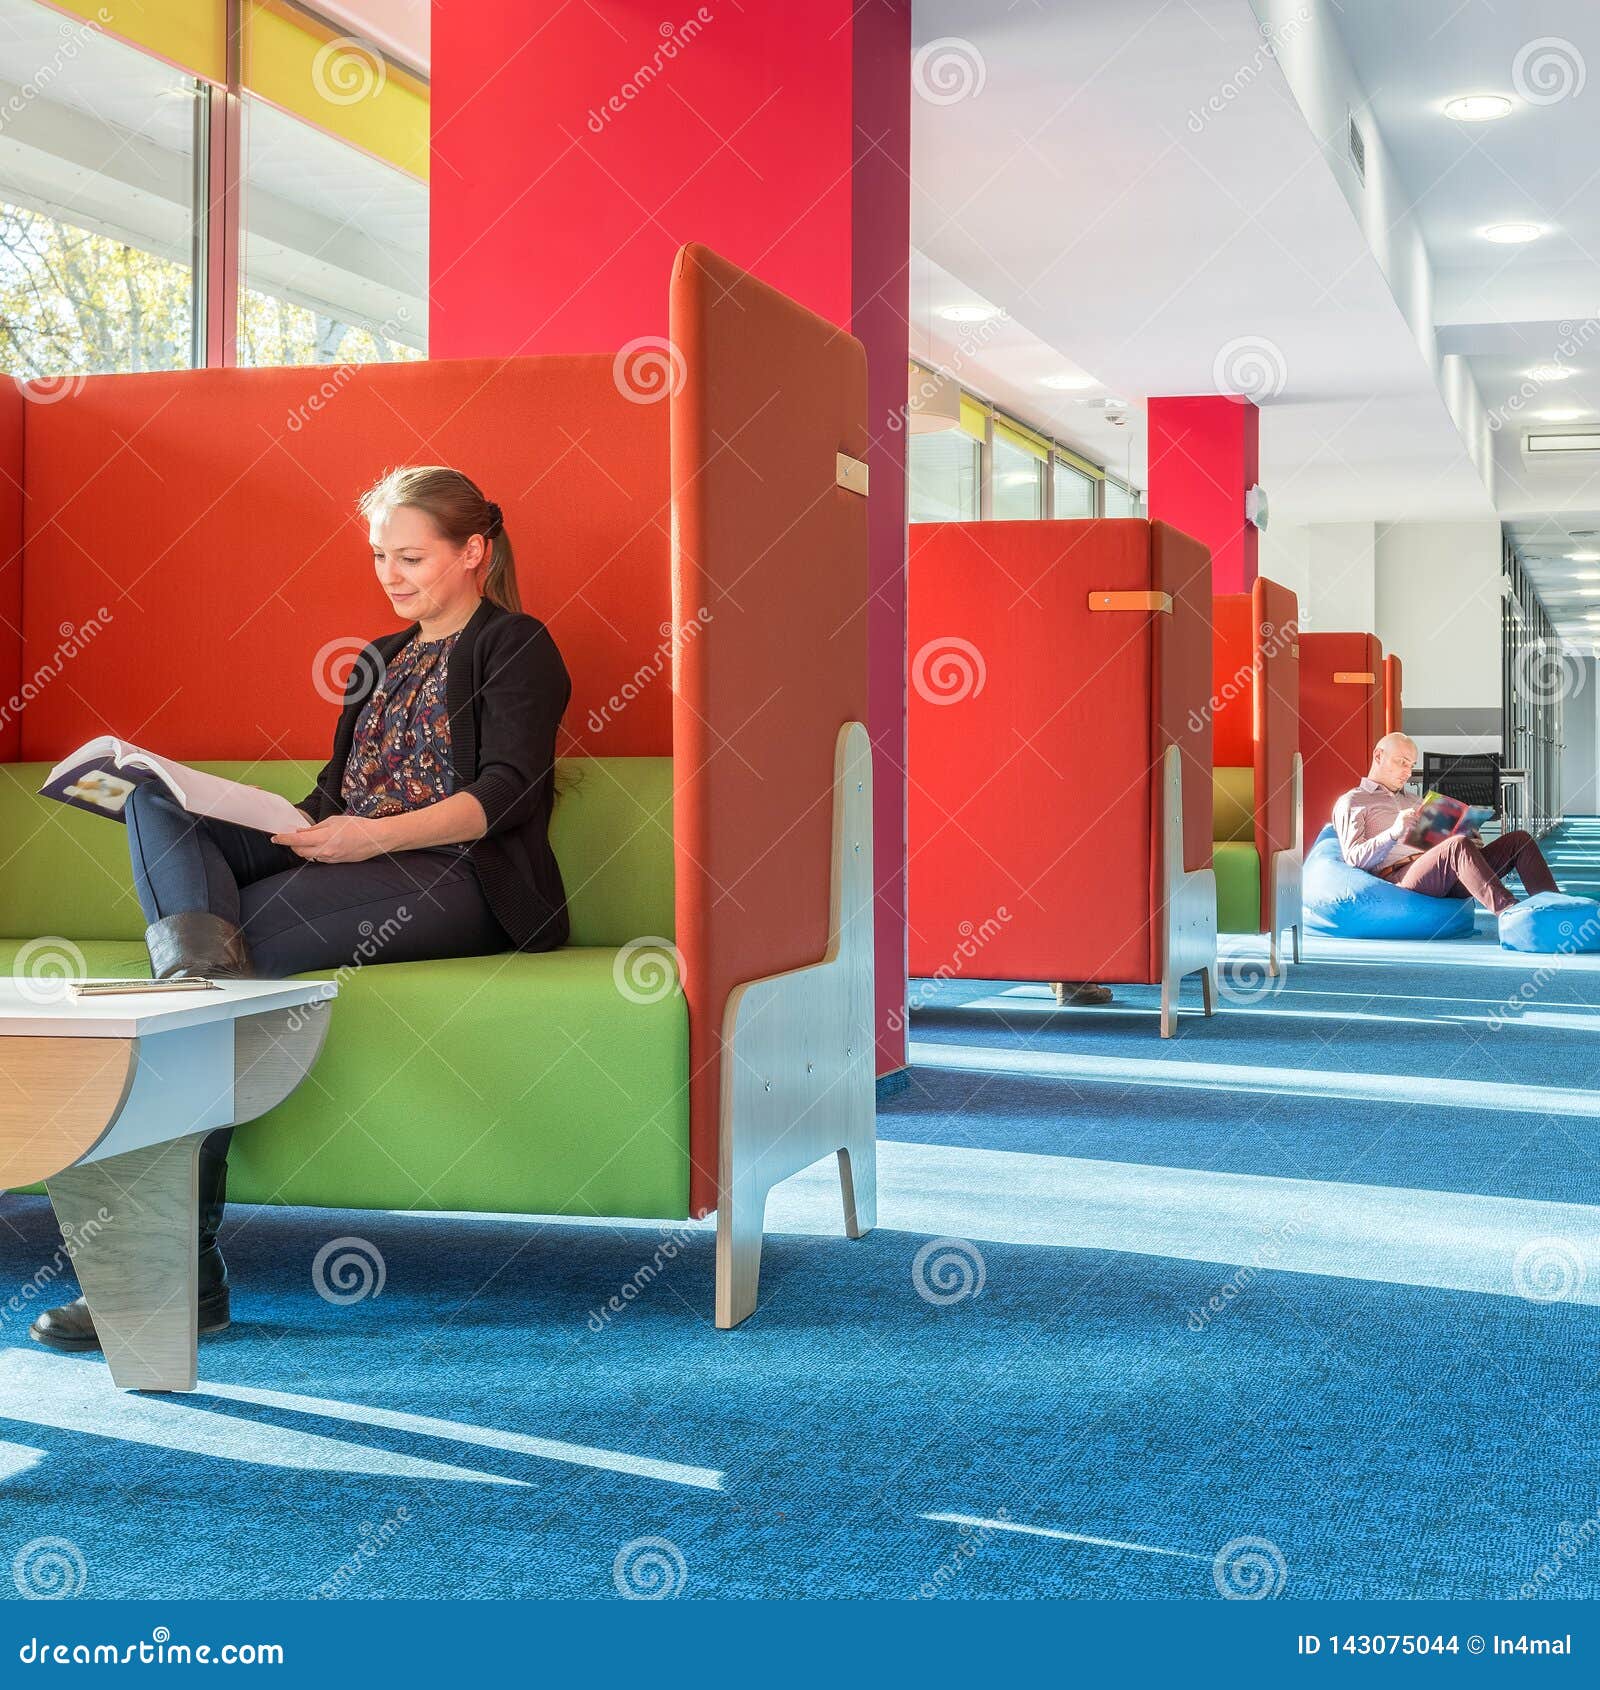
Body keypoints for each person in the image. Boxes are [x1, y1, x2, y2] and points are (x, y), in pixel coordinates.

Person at [31, 466, 571, 1354]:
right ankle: (194, 985)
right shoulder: (378, 660)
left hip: (457, 879)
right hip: (353, 852)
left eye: (411, 556)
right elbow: (333, 796)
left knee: (202, 989)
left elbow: (507, 795)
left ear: (474, 552)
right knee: (155, 803)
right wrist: (301, 828)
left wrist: (372, 839)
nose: (391, 576)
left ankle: (172, 1274)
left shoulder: (515, 645)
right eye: (378, 558)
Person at [1332, 732, 1558, 913]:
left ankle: (1556, 907)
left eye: (1410, 765)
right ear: (1378, 756)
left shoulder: (1413, 799)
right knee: (1456, 845)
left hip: (1444, 870)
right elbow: (1354, 858)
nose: (1407, 772)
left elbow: (1436, 840)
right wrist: (1393, 833)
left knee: (1518, 840)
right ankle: (1510, 912)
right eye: (1401, 762)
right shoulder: (1353, 800)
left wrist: (1468, 835)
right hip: (1402, 876)